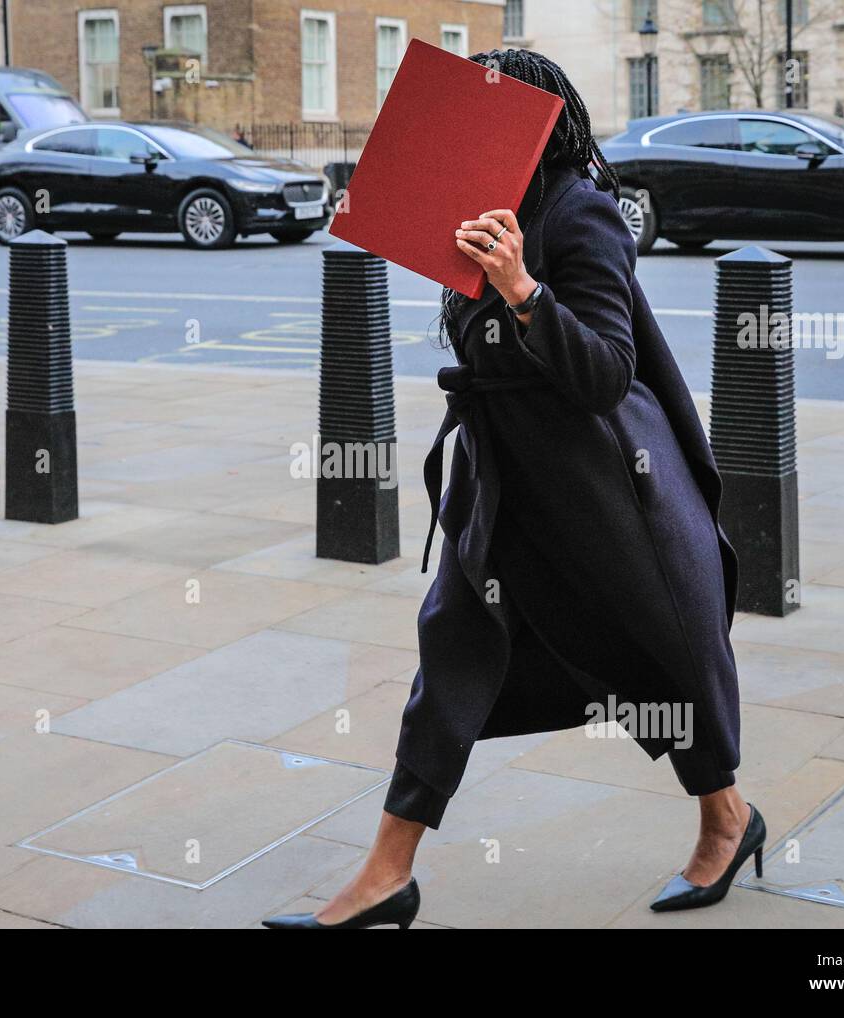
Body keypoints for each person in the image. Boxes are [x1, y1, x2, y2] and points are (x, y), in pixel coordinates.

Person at [263, 48, 764, 929]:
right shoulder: (486, 207)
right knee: (452, 651)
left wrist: (522, 289)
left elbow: (608, 372)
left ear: (535, 120)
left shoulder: (581, 213)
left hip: (601, 489)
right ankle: (387, 874)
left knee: (667, 660)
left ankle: (727, 818)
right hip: (500, 480)